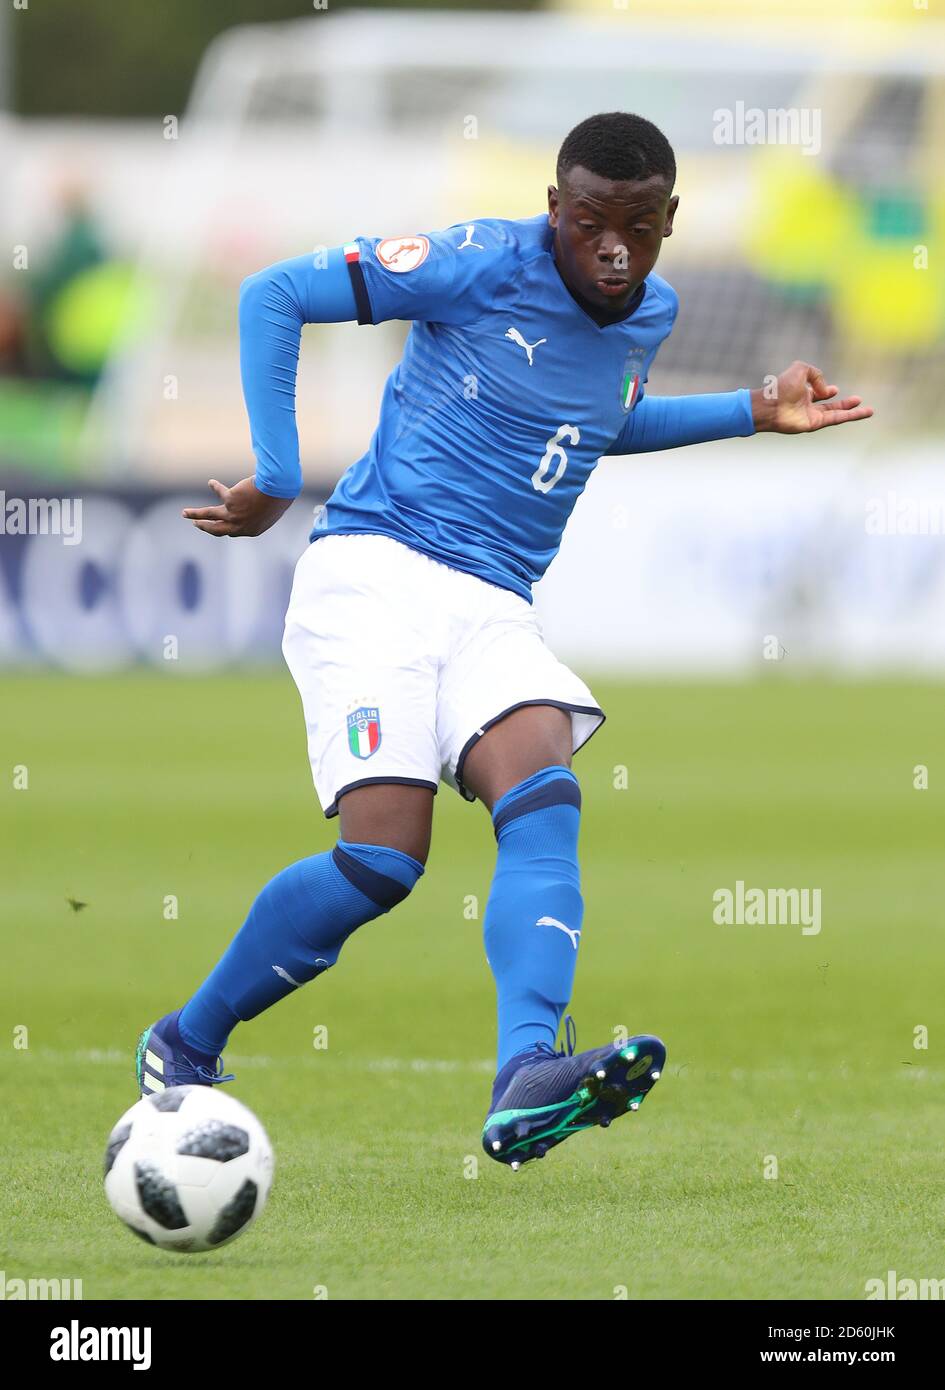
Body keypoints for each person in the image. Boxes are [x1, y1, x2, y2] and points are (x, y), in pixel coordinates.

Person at [135, 112, 871, 1169]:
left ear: (670, 220)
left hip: (493, 603)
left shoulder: (647, 311)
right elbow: (274, 294)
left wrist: (750, 410)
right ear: (552, 210)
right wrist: (280, 474)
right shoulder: (476, 260)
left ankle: (527, 1074)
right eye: (588, 224)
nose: (613, 250)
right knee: (385, 862)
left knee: (543, 786)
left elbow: (594, 420)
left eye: (638, 228)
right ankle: (185, 1041)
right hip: (375, 572)